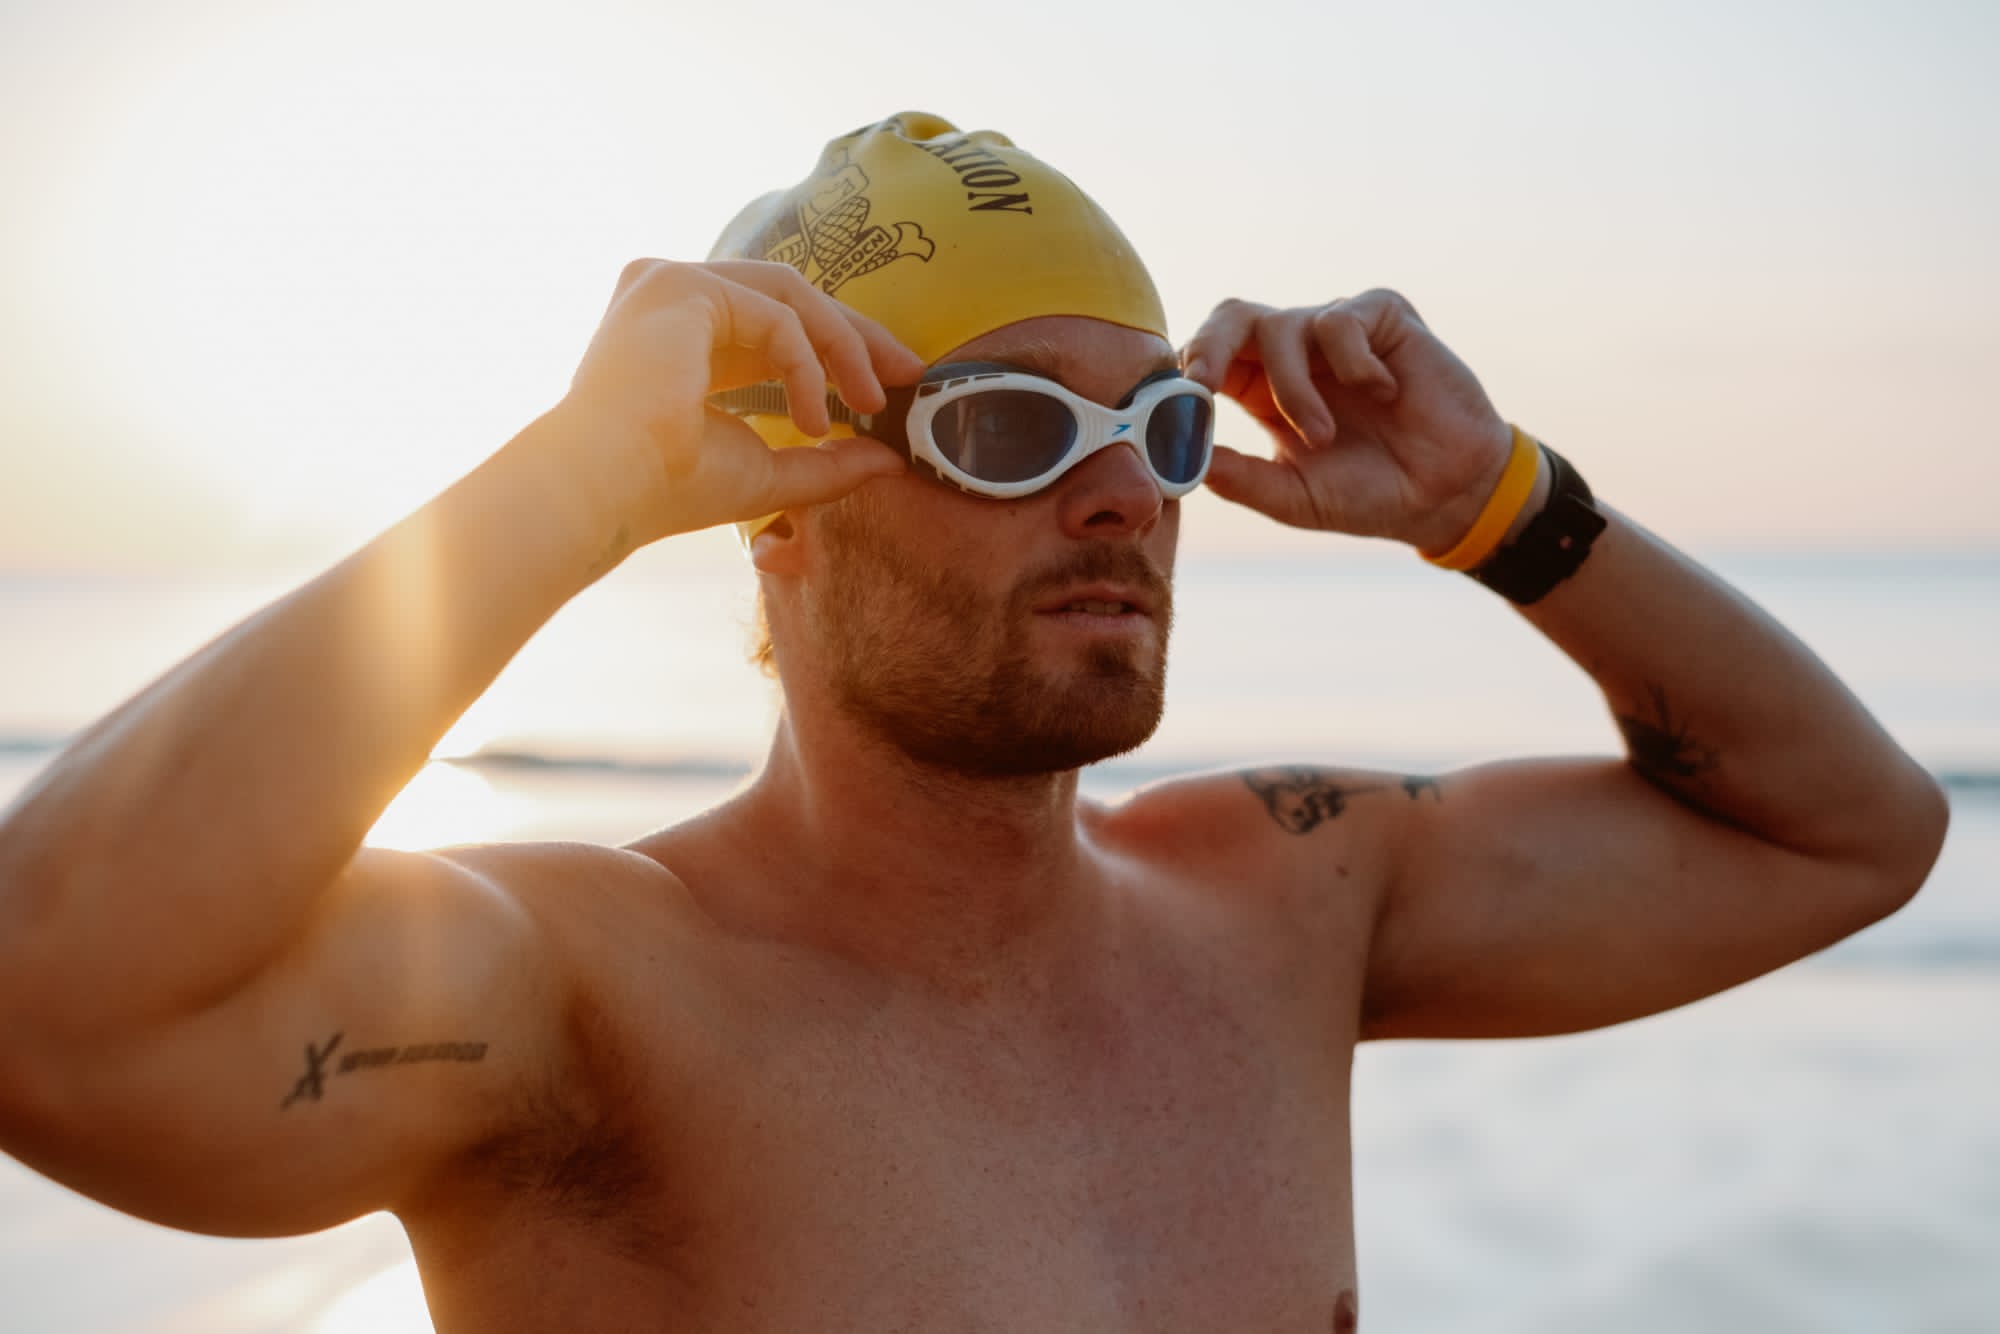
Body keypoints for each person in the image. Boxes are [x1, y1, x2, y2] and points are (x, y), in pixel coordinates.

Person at [0, 112, 1949, 1333]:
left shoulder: (1283, 900)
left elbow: (1847, 830)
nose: (1121, 498)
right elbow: (46, 994)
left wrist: (1500, 503)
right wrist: (563, 489)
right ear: (774, 519)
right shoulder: (578, 993)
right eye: (1011, 430)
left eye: (1158, 428)